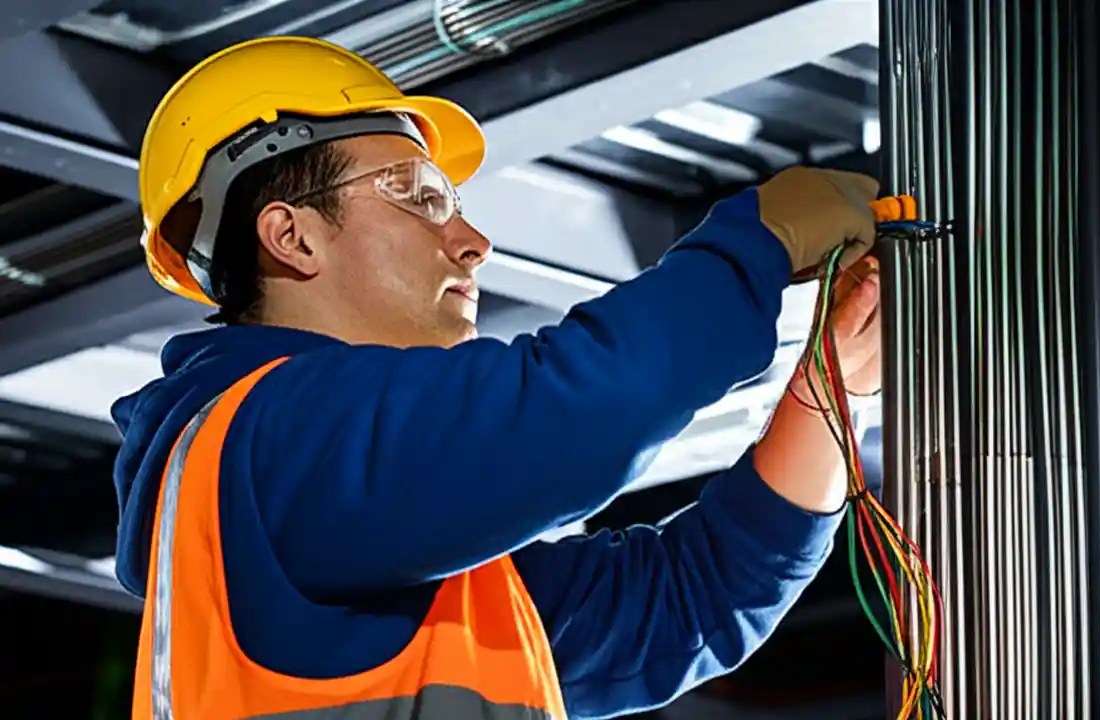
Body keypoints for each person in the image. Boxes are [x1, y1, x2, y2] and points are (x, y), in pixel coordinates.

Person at [112, 36, 887, 720]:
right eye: (419, 198)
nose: (473, 240)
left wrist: (830, 393)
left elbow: (688, 602)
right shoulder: (267, 452)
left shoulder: (371, 538)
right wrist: (757, 242)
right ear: (293, 237)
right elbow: (582, 405)